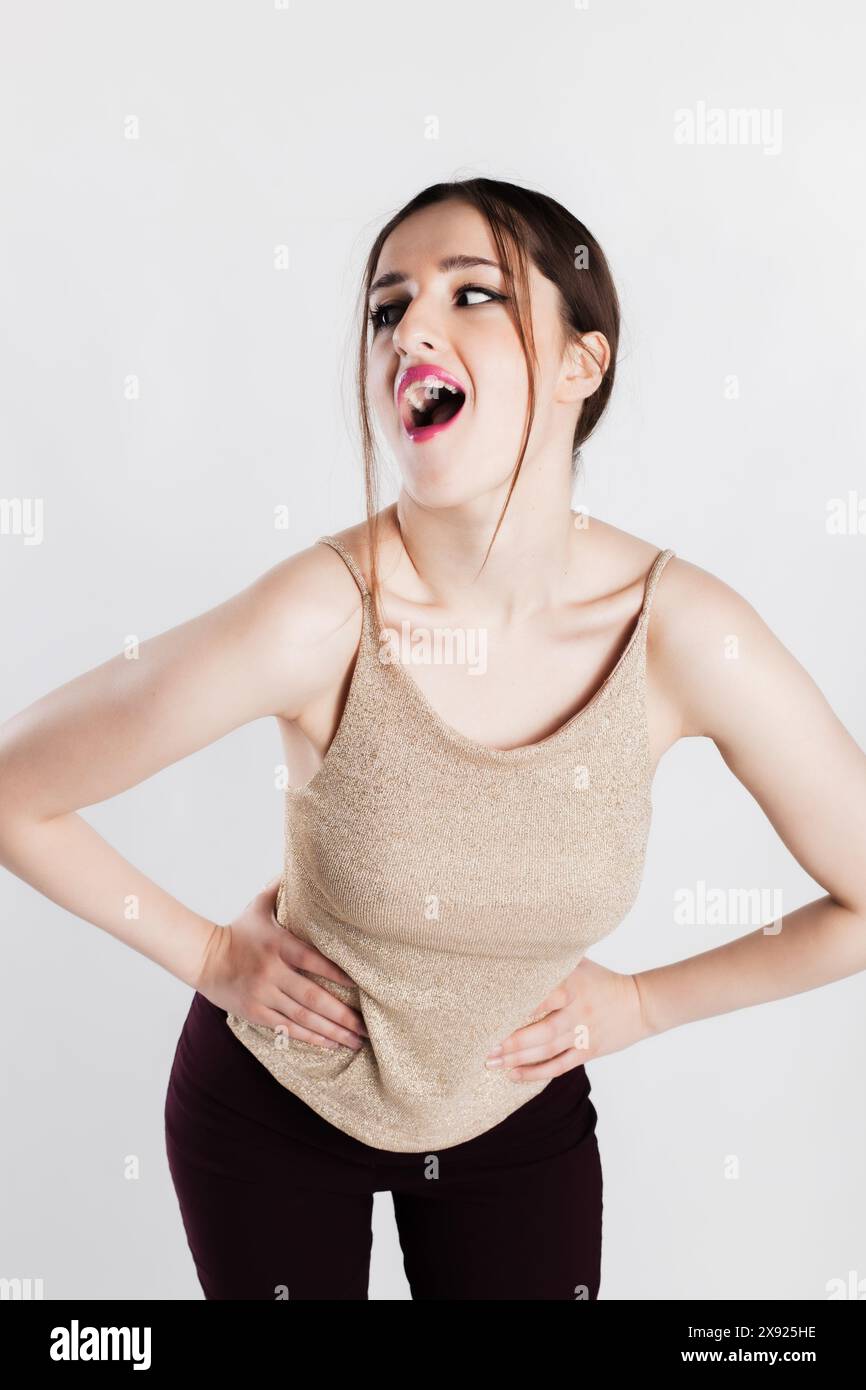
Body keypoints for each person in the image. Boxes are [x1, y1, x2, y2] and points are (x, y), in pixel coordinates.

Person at [2, 178, 864, 1301]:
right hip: (274, 1113)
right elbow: (17, 787)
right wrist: (211, 957)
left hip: (512, 1119)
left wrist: (644, 1004)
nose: (410, 328)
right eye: (385, 307)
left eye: (472, 295)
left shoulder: (683, 633)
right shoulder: (319, 616)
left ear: (577, 365)